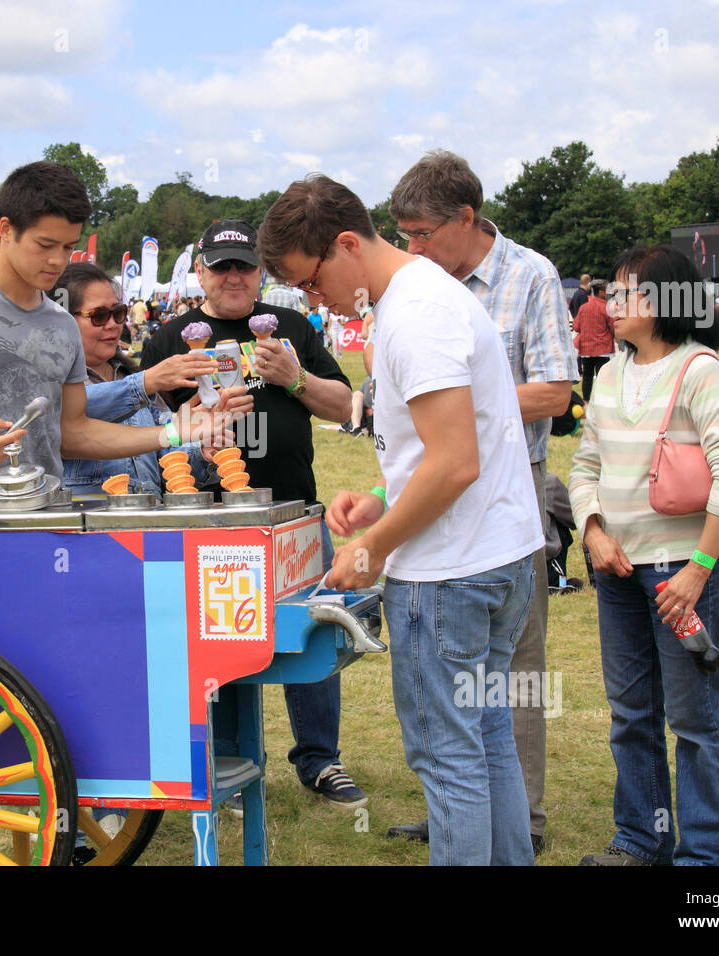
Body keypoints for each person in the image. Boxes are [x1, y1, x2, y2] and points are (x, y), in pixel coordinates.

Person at [260, 173, 541, 864]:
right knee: (486, 741)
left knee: (449, 762)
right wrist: (385, 501)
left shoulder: (415, 311)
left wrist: (375, 544)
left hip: (451, 573)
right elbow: (447, 449)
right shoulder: (421, 298)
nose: (313, 300)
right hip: (494, 557)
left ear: (347, 244)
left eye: (313, 282)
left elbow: (454, 464)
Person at [387, 150, 578, 855]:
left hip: (510, 492)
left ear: (467, 219)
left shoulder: (530, 275)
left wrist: (453, 402)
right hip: (442, 487)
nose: (412, 249)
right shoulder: (417, 286)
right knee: (457, 674)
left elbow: (556, 391)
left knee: (513, 669)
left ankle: (519, 815)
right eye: (403, 236)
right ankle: (464, 813)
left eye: (422, 234)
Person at [141, 217, 365, 810]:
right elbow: (143, 432)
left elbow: (347, 406)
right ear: (200, 272)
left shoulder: (292, 326)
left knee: (311, 632)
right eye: (221, 266)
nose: (234, 276)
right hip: (207, 519)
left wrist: (293, 380)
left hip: (292, 508)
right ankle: (225, 763)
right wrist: (193, 417)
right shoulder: (168, 338)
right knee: (213, 642)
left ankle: (320, 760)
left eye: (244, 265)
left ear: (261, 271)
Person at [0, 161, 240, 485]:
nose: (58, 261)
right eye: (45, 245)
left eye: (67, 246)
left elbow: (74, 433)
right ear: (6, 229)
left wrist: (172, 433)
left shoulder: (61, 324)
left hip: (47, 518)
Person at [568, 245, 719, 865]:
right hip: (619, 571)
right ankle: (642, 841)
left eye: (626, 293)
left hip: (685, 574)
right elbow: (585, 464)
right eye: (613, 292)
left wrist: (699, 570)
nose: (610, 304)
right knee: (630, 714)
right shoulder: (612, 370)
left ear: (669, 300)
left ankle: (705, 858)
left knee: (694, 722)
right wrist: (593, 532)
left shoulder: (700, 370)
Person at [55, 262, 214, 495]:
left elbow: (165, 453)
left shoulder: (130, 376)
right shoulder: (51, 381)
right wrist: (146, 382)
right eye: (98, 316)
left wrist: (202, 449)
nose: (113, 325)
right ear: (63, 320)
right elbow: (71, 413)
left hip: (145, 523)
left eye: (118, 313)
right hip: (91, 526)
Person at [573, 279, 614, 401]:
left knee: (587, 376)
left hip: (586, 348)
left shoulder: (583, 308)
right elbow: (612, 327)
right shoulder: (606, 307)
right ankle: (601, 400)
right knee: (603, 376)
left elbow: (576, 326)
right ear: (600, 292)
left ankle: (586, 401)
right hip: (603, 347)